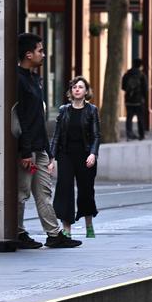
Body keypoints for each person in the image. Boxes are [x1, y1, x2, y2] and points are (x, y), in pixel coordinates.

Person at [16, 32, 80, 249]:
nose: (43, 54)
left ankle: (54, 234)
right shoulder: (18, 80)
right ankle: (17, 232)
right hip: (27, 150)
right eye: (40, 51)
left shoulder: (35, 79)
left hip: (39, 148)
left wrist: (47, 150)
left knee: (44, 191)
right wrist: (26, 151)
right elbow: (21, 118)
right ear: (28, 54)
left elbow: (37, 118)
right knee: (22, 193)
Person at [52, 76, 101, 239]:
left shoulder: (92, 110)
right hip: (66, 155)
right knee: (64, 190)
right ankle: (67, 229)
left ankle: (89, 225)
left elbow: (96, 135)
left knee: (86, 191)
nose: (77, 89)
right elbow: (57, 135)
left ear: (86, 91)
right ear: (71, 91)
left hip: (85, 155)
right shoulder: (63, 110)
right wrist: (51, 158)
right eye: (74, 87)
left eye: (80, 87)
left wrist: (93, 154)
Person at [121, 58, 147, 140]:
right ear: (140, 66)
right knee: (140, 118)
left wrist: (130, 92)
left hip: (129, 100)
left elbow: (123, 87)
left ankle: (129, 134)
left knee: (129, 118)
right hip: (139, 101)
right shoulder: (142, 75)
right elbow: (145, 89)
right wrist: (144, 98)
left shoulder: (127, 74)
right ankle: (141, 135)